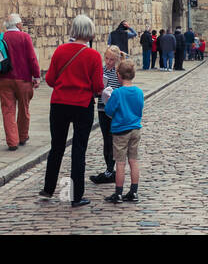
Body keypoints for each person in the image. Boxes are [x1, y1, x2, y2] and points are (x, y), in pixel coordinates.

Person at [39, 15, 103, 208]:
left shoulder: (60, 50)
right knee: (78, 150)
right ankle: (76, 196)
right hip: (82, 105)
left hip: (59, 104)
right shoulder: (93, 55)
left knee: (56, 147)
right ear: (89, 32)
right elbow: (98, 86)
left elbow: (50, 80)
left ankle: (48, 189)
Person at [0, 13, 40, 151]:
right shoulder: (24, 37)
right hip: (23, 79)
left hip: (4, 79)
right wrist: (37, 76)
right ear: (18, 24)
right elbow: (32, 58)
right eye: (21, 23)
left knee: (8, 110)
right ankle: (22, 136)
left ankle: (12, 142)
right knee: (24, 108)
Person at [103, 58, 144, 203]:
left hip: (121, 130)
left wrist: (107, 99)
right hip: (135, 129)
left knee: (120, 163)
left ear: (119, 76)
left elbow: (109, 111)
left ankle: (118, 193)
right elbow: (139, 110)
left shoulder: (118, 93)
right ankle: (133, 192)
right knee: (133, 160)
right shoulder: (139, 92)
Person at [90, 45, 123, 185]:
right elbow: (95, 89)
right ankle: (109, 170)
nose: (108, 62)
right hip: (102, 109)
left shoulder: (119, 72)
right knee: (106, 140)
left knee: (113, 140)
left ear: (116, 60)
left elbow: (123, 91)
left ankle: (110, 171)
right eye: (107, 59)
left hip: (114, 112)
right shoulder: (101, 70)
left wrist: (113, 94)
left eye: (111, 60)